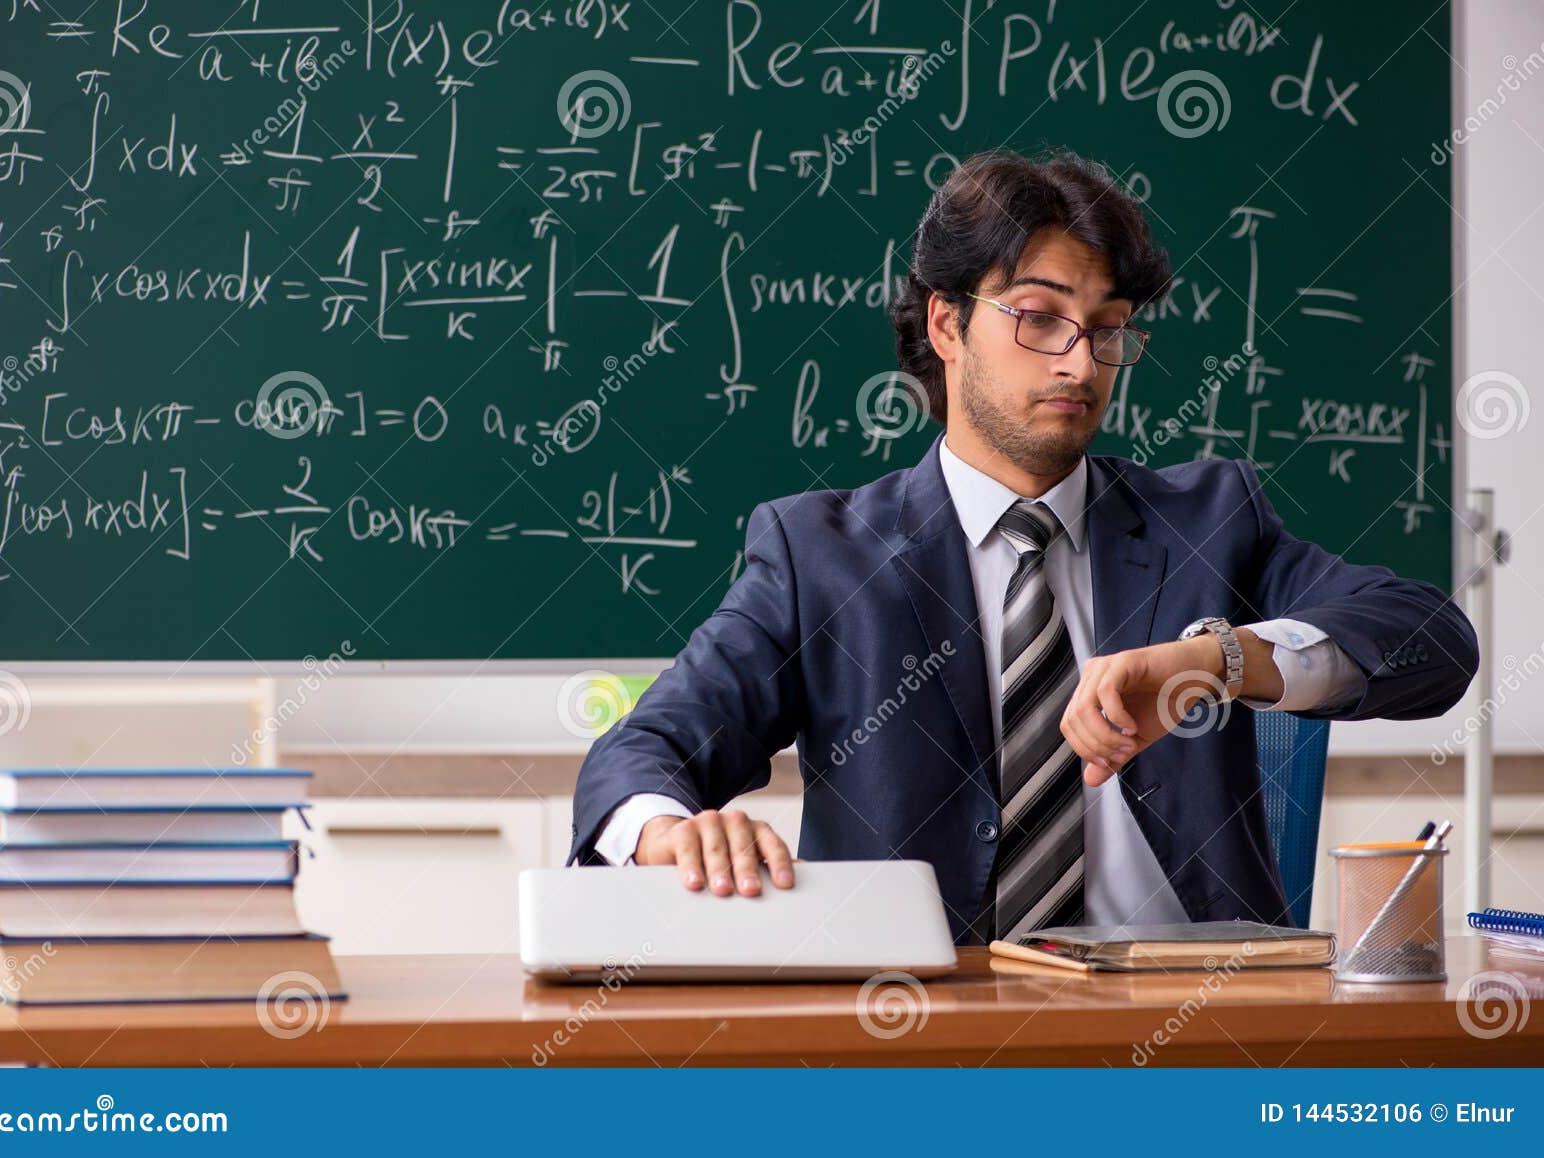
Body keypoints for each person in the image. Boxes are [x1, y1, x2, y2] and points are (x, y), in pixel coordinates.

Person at [567, 149, 1478, 945]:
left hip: (1197, 1030)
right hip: (923, 1043)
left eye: (1109, 327)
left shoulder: (1208, 521)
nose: (1081, 364)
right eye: (1040, 316)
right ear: (946, 325)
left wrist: (1218, 660)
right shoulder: (821, 557)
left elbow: (1431, 639)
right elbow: (644, 749)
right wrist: (665, 830)